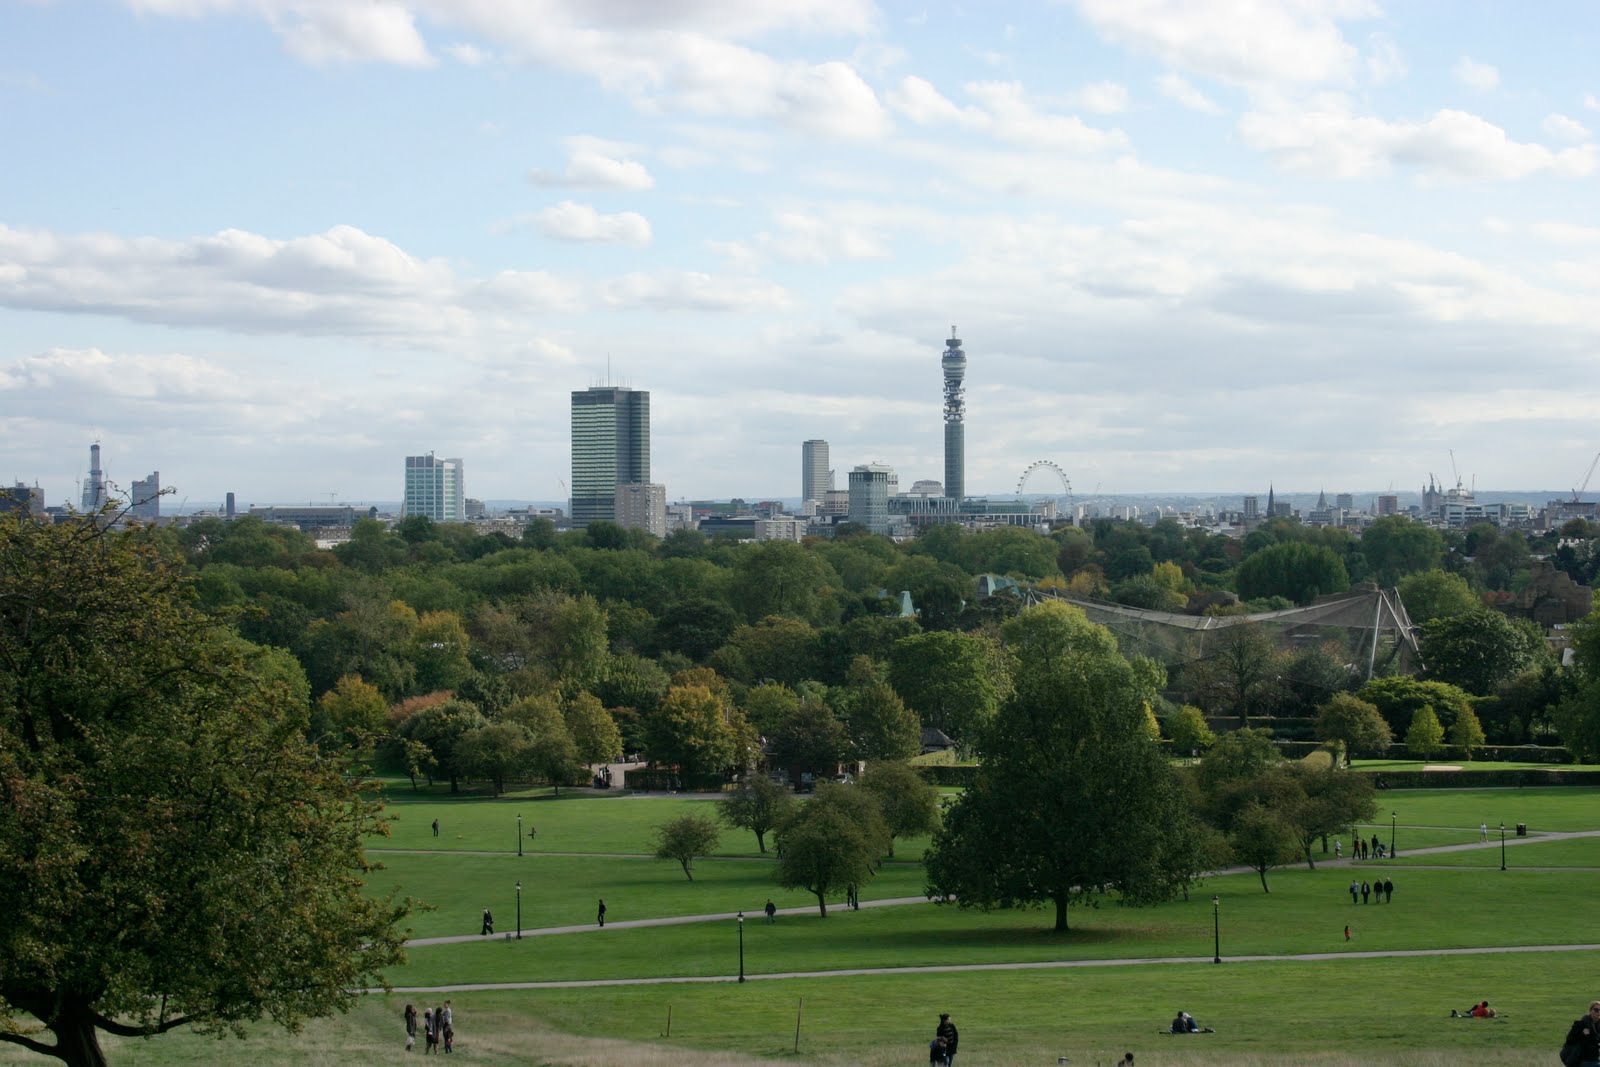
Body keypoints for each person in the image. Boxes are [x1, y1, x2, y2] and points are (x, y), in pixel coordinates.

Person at [1564, 1000, 1600, 1067]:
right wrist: (1582, 1034)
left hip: (1595, 1059)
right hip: (1584, 1060)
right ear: (1590, 1011)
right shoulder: (1582, 1024)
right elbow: (1569, 1039)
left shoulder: (1598, 1026)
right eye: (1596, 1010)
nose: (1599, 1012)